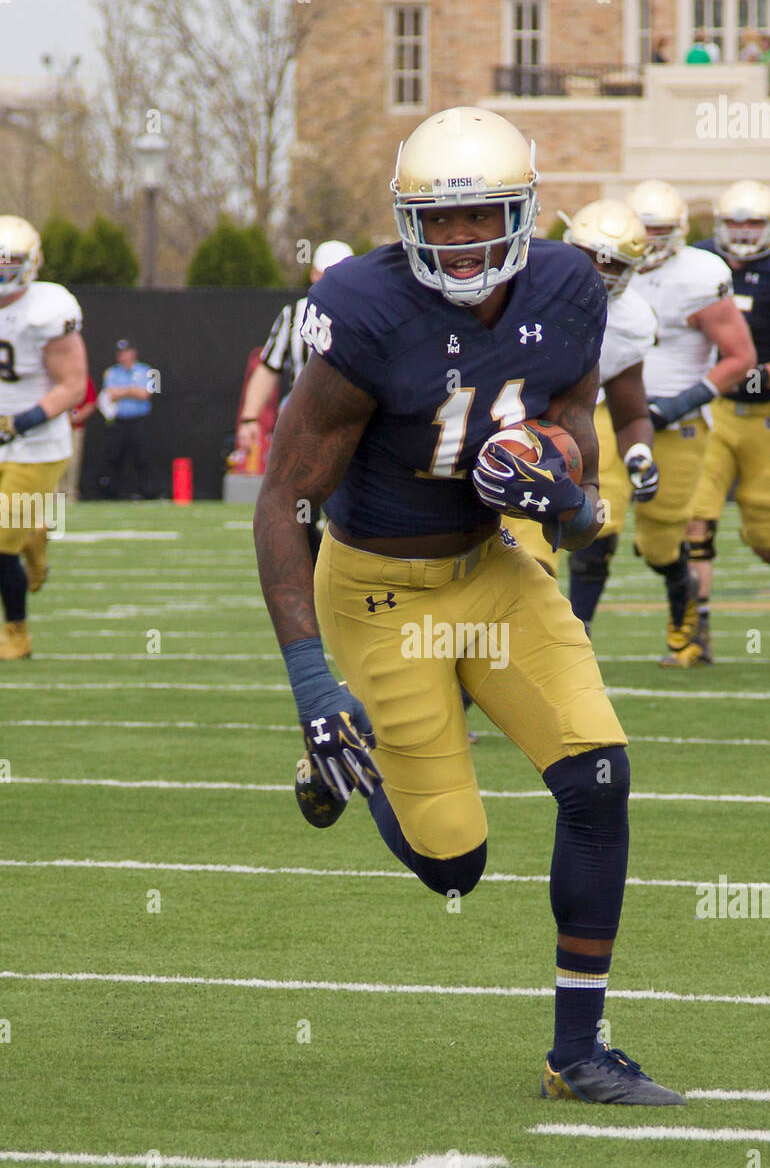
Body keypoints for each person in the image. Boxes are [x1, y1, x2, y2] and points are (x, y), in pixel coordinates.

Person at [254, 105, 685, 1106]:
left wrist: (564, 485)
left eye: (480, 216)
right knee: (454, 867)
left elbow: (572, 434)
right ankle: (344, 762)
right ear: (405, 223)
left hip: (492, 569)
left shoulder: (572, 285)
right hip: (376, 592)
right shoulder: (363, 308)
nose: (458, 240)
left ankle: (578, 1051)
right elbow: (284, 501)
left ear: (525, 211)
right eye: (436, 221)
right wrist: (313, 685)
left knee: (600, 777)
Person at [677, 181, 770, 666]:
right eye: (735, 222)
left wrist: (752, 375)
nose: (743, 232)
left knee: (765, 535)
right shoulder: (700, 261)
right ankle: (695, 634)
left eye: (753, 223)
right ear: (719, 226)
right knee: (694, 518)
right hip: (716, 409)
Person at [504, 200, 659, 637]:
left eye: (612, 266)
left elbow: (631, 411)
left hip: (567, 436)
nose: (595, 273)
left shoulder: (629, 322)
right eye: (588, 258)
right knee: (517, 571)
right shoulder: (517, 286)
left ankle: (574, 634)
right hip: (499, 429)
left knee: (563, 553)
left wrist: (641, 453)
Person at [624, 180, 755, 663]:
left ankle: (690, 618)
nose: (652, 240)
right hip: (606, 410)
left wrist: (677, 405)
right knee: (594, 527)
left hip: (679, 420)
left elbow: (740, 357)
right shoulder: (599, 266)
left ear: (678, 231)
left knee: (664, 539)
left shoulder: (699, 273)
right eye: (644, 230)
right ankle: (577, 640)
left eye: (660, 230)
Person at [0, 215, 87, 659]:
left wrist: (20, 420)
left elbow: (73, 384)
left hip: (35, 444)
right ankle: (34, 530)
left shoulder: (47, 308)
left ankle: (17, 634)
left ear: (31, 263)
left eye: (8, 263)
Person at [236, 239, 353, 560]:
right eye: (329, 274)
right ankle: (311, 572)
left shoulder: (368, 311)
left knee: (351, 510)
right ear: (315, 275)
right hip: (305, 424)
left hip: (355, 423)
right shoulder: (294, 315)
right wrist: (249, 419)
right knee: (296, 508)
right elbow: (269, 367)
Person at [97, 339, 156, 499]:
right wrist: (133, 390)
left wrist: (123, 391)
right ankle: (113, 493)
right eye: (120, 353)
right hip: (119, 421)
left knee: (142, 456)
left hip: (139, 420)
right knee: (115, 456)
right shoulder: (111, 372)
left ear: (134, 352)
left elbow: (146, 394)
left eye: (126, 352)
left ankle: (147, 492)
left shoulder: (148, 371)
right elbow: (110, 393)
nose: (123, 356)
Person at [63, 373, 97, 501]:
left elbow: (91, 402)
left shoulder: (82, 378)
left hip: (74, 427)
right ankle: (54, 493)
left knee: (72, 461)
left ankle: (70, 493)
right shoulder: (52, 376)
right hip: (54, 429)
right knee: (54, 459)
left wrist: (77, 416)